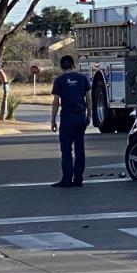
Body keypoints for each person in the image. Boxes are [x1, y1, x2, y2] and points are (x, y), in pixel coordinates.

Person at [49, 55, 91, 187]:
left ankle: (67, 178)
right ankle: (78, 177)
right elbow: (89, 99)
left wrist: (53, 120)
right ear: (74, 65)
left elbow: (56, 102)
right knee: (80, 148)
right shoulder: (83, 79)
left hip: (67, 118)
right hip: (80, 117)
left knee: (66, 149)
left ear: (61, 66)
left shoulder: (59, 81)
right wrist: (89, 115)